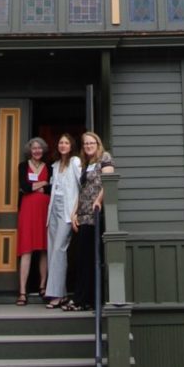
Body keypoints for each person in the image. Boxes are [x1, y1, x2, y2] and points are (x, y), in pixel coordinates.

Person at [67, 131, 114, 312]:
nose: (88, 146)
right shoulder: (86, 164)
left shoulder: (105, 158)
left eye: (91, 143)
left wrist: (98, 201)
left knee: (92, 259)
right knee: (82, 259)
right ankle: (81, 299)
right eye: (85, 143)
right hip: (83, 216)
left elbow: (108, 182)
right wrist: (74, 214)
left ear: (97, 143)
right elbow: (82, 191)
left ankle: (91, 300)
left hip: (95, 216)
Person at [45, 133, 82, 308]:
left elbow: (82, 186)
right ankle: (61, 292)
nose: (63, 145)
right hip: (54, 209)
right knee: (52, 250)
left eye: (66, 142)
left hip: (68, 210)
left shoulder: (75, 162)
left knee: (59, 249)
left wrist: (76, 212)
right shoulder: (55, 165)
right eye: (60, 142)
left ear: (71, 145)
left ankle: (56, 294)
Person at [15, 136, 50, 305]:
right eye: (34, 148)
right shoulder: (23, 166)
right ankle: (22, 291)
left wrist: (42, 186)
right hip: (27, 210)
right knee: (26, 249)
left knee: (44, 249)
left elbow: (51, 188)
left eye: (39, 148)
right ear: (30, 150)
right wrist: (42, 183)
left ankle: (43, 286)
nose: (37, 151)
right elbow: (24, 186)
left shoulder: (49, 166)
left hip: (44, 210)